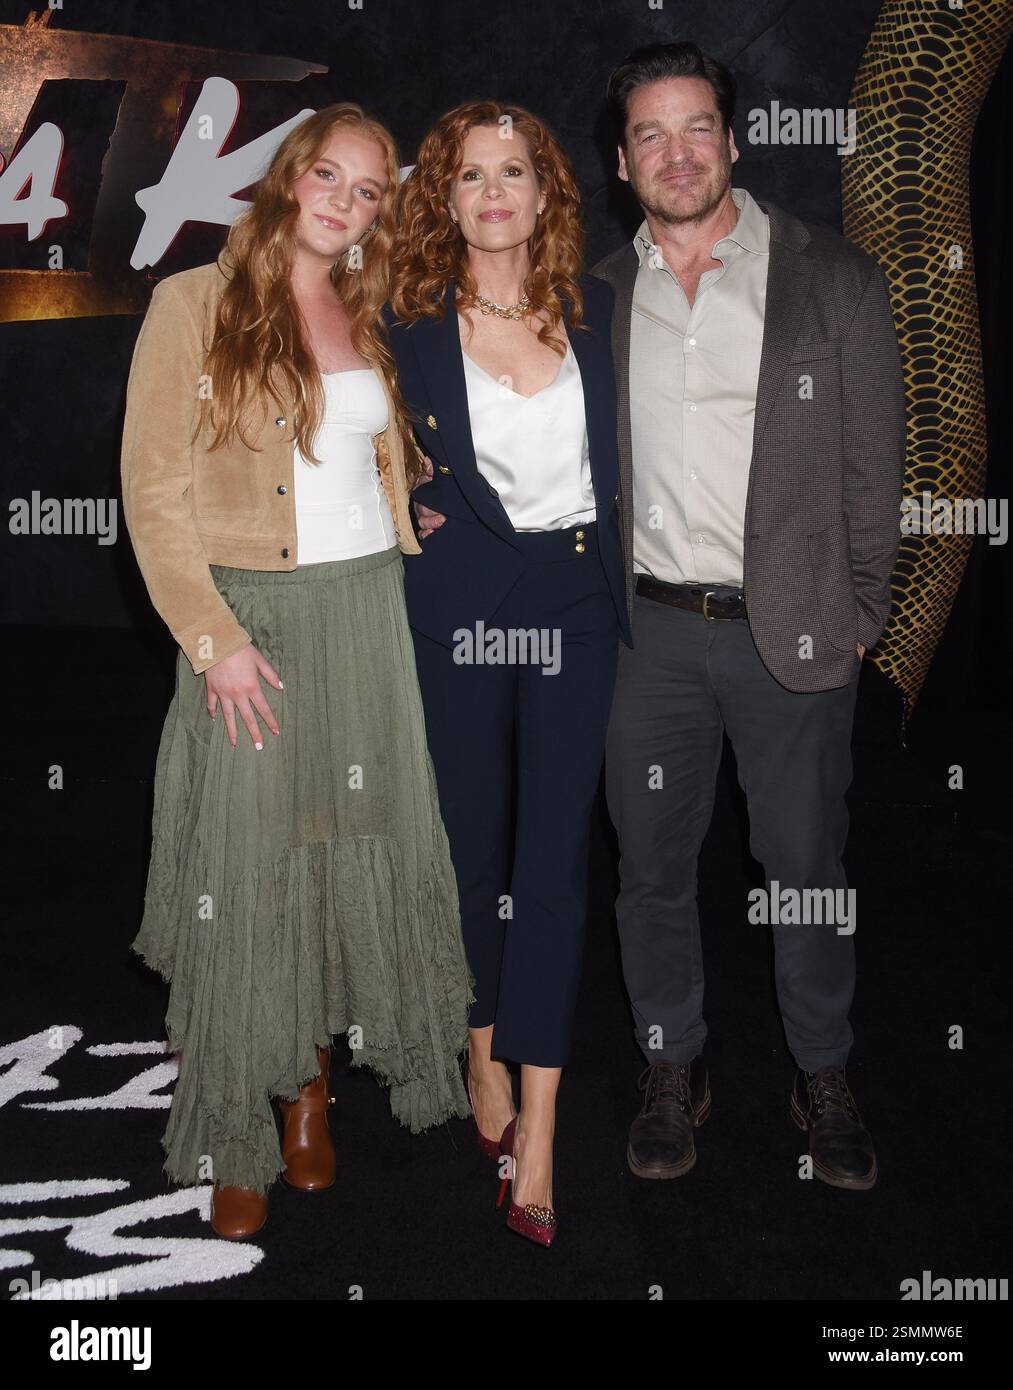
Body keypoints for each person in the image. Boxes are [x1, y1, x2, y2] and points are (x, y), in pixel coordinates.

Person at [120, 103, 473, 1239]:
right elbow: (154, 498)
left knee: (338, 847)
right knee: (248, 868)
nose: (348, 201)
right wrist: (214, 642)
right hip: (252, 625)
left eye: (371, 190)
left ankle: (312, 1085)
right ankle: (235, 1121)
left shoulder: (369, 309)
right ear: (288, 175)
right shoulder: (192, 302)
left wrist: (404, 500)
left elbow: (364, 447)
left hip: (366, 612)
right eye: (330, 174)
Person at [593, 42, 905, 1189]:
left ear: (729, 139)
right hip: (647, 640)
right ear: (622, 162)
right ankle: (671, 1063)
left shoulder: (834, 279)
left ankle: (820, 1070)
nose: (675, 153)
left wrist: (860, 609)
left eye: (694, 128)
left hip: (797, 634)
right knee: (650, 869)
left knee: (804, 866)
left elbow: (876, 470)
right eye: (648, 136)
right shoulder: (596, 291)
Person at [385, 101, 631, 1244]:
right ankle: (480, 1045)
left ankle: (538, 1122)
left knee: (552, 864)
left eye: (514, 170)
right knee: (469, 848)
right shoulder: (405, 323)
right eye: (471, 173)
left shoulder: (603, 313)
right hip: (462, 609)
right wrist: (407, 508)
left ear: (546, 193)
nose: (494, 191)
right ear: (444, 196)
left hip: (575, 604)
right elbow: (343, 442)